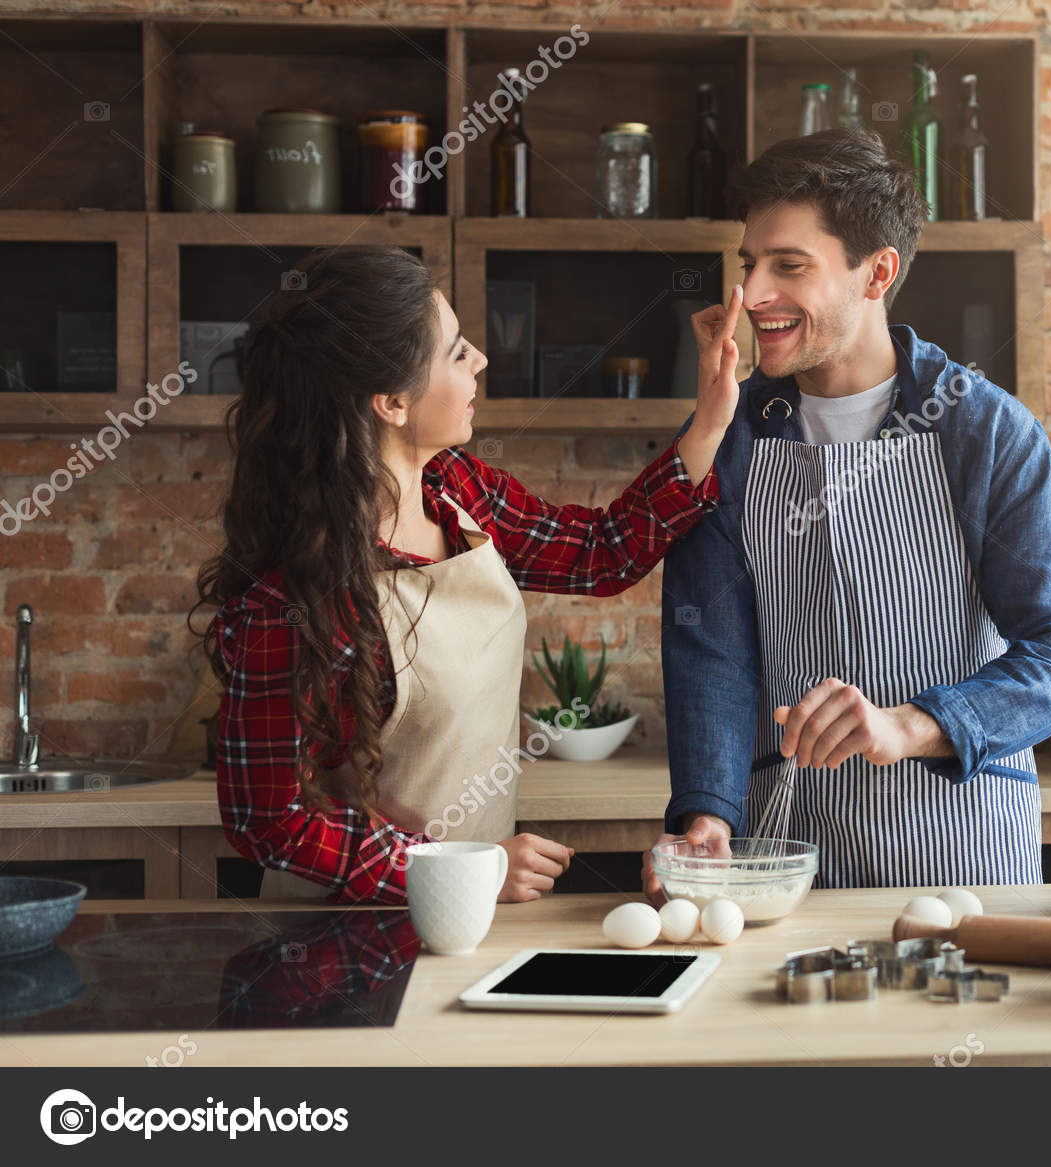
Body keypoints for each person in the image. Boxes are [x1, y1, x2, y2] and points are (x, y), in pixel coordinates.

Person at [195, 244, 741, 904]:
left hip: (471, 916)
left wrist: (710, 416)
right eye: (456, 351)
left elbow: (598, 552)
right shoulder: (293, 599)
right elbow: (270, 822)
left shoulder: (455, 490)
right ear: (392, 400)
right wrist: (454, 868)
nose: (479, 359)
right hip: (346, 943)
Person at [643, 128, 1051, 895]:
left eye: (790, 267)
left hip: (958, 848)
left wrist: (910, 723)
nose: (752, 295)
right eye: (749, 266)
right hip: (783, 850)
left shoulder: (983, 429)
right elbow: (712, 651)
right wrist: (707, 815)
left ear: (876, 273)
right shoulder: (730, 436)